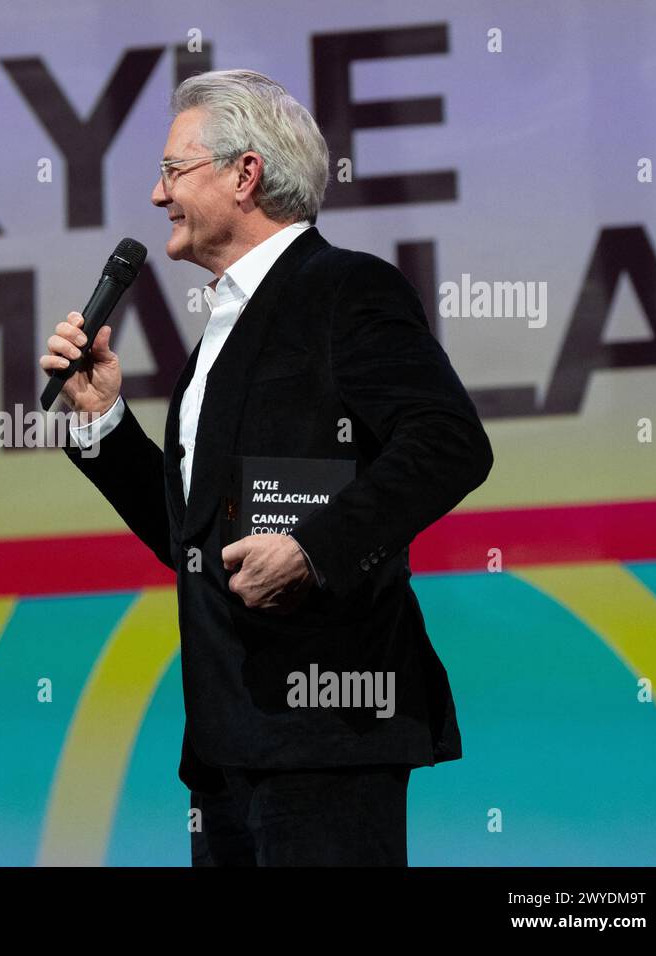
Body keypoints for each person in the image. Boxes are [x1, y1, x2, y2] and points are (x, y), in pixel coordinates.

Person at [40, 70, 492, 866]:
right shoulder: (222, 323)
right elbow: (193, 537)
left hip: (329, 732)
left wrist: (313, 549)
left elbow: (450, 441)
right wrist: (104, 422)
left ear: (245, 174)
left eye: (174, 170)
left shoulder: (347, 288)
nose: (155, 194)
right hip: (226, 745)